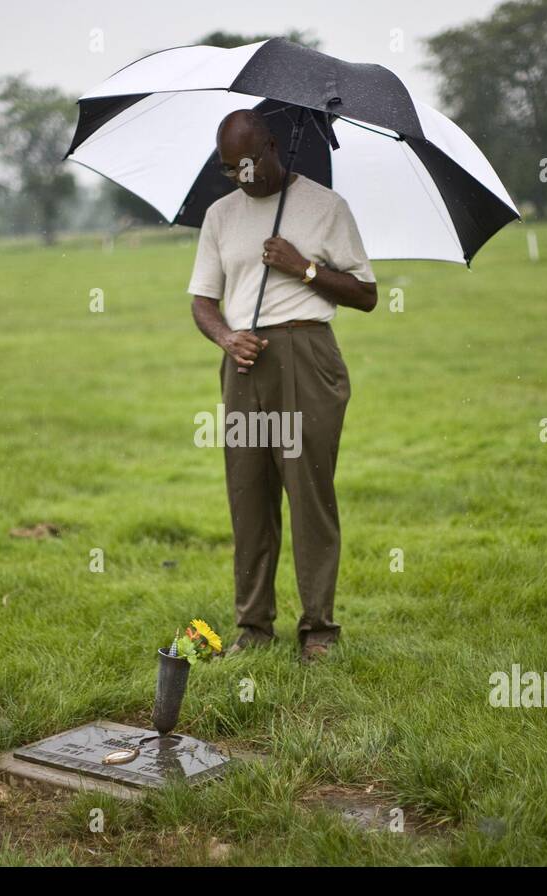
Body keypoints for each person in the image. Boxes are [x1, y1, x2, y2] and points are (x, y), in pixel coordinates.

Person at [187, 109, 377, 663]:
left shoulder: (325, 207)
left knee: (309, 493)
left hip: (307, 357)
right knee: (248, 495)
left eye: (247, 163)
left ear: (272, 146)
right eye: (228, 169)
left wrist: (305, 269)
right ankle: (253, 626)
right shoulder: (221, 215)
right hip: (245, 364)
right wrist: (225, 336)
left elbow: (366, 294)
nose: (241, 177)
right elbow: (202, 298)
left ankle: (318, 628)